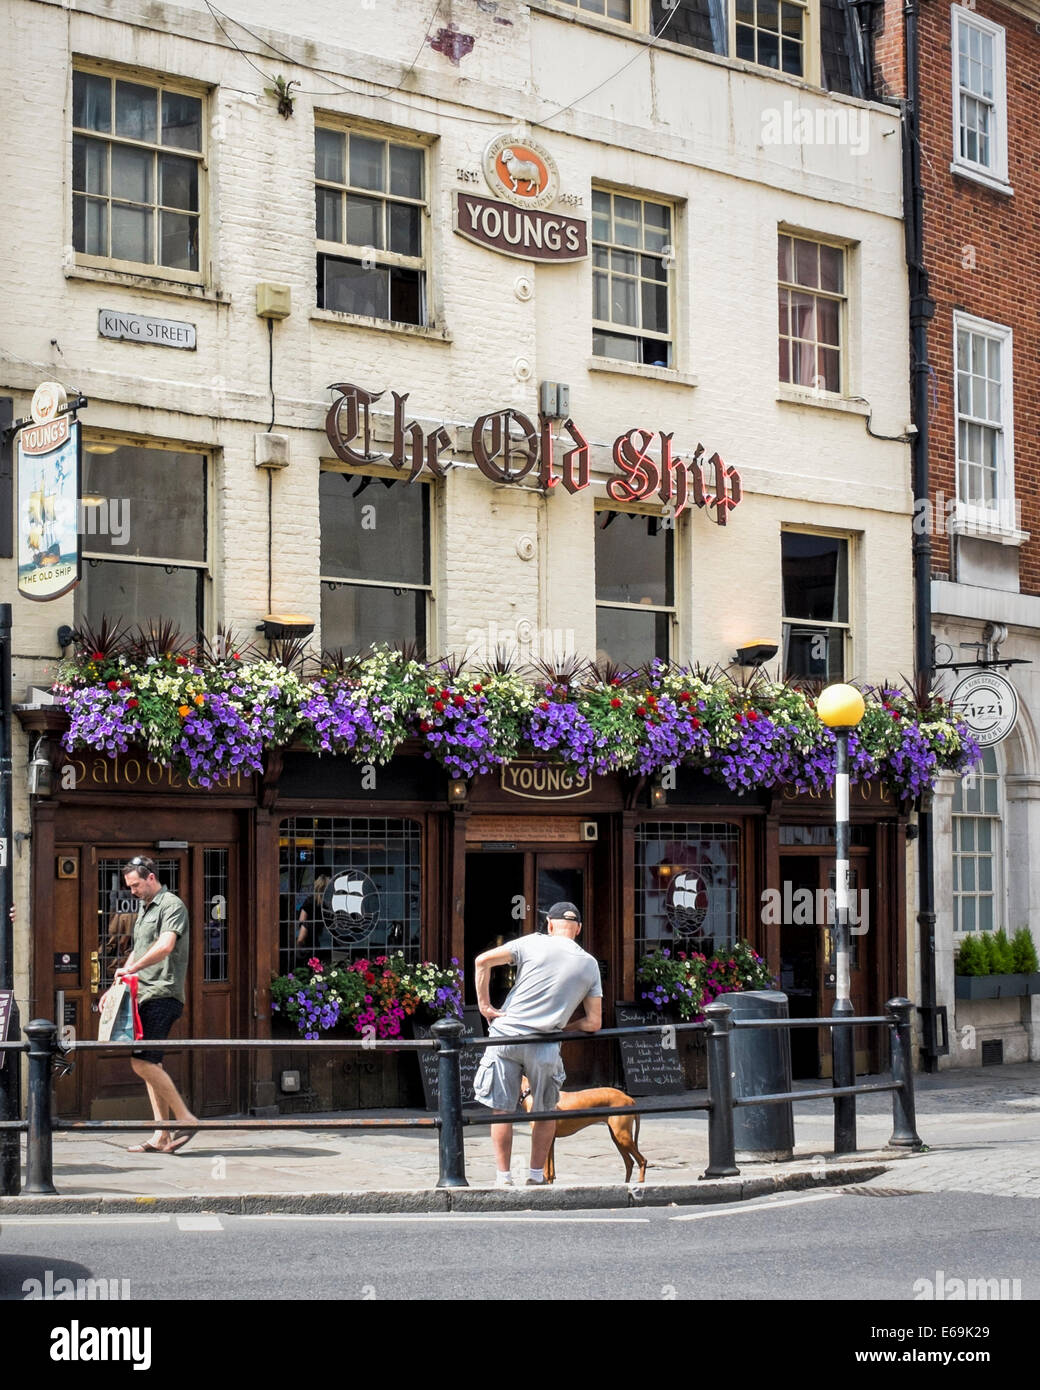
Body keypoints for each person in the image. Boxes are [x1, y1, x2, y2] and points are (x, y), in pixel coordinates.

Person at [472, 902, 602, 1187]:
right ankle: (534, 1177)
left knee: (502, 1111)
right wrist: (564, 1026)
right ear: (578, 929)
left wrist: (485, 1006)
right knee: (545, 1112)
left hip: (506, 1036)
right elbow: (594, 1023)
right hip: (544, 1042)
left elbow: (482, 961)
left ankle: (503, 1178)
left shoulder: (532, 942)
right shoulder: (589, 964)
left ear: (550, 924)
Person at [101, 855, 197, 1155]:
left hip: (162, 994)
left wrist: (132, 969)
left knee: (142, 1062)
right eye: (129, 886)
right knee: (150, 1064)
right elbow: (137, 950)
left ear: (151, 877)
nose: (132, 891)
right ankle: (162, 1135)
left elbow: (166, 945)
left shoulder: (171, 905)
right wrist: (117, 984)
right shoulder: (146, 909)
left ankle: (186, 1118)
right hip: (144, 993)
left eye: (136, 885)